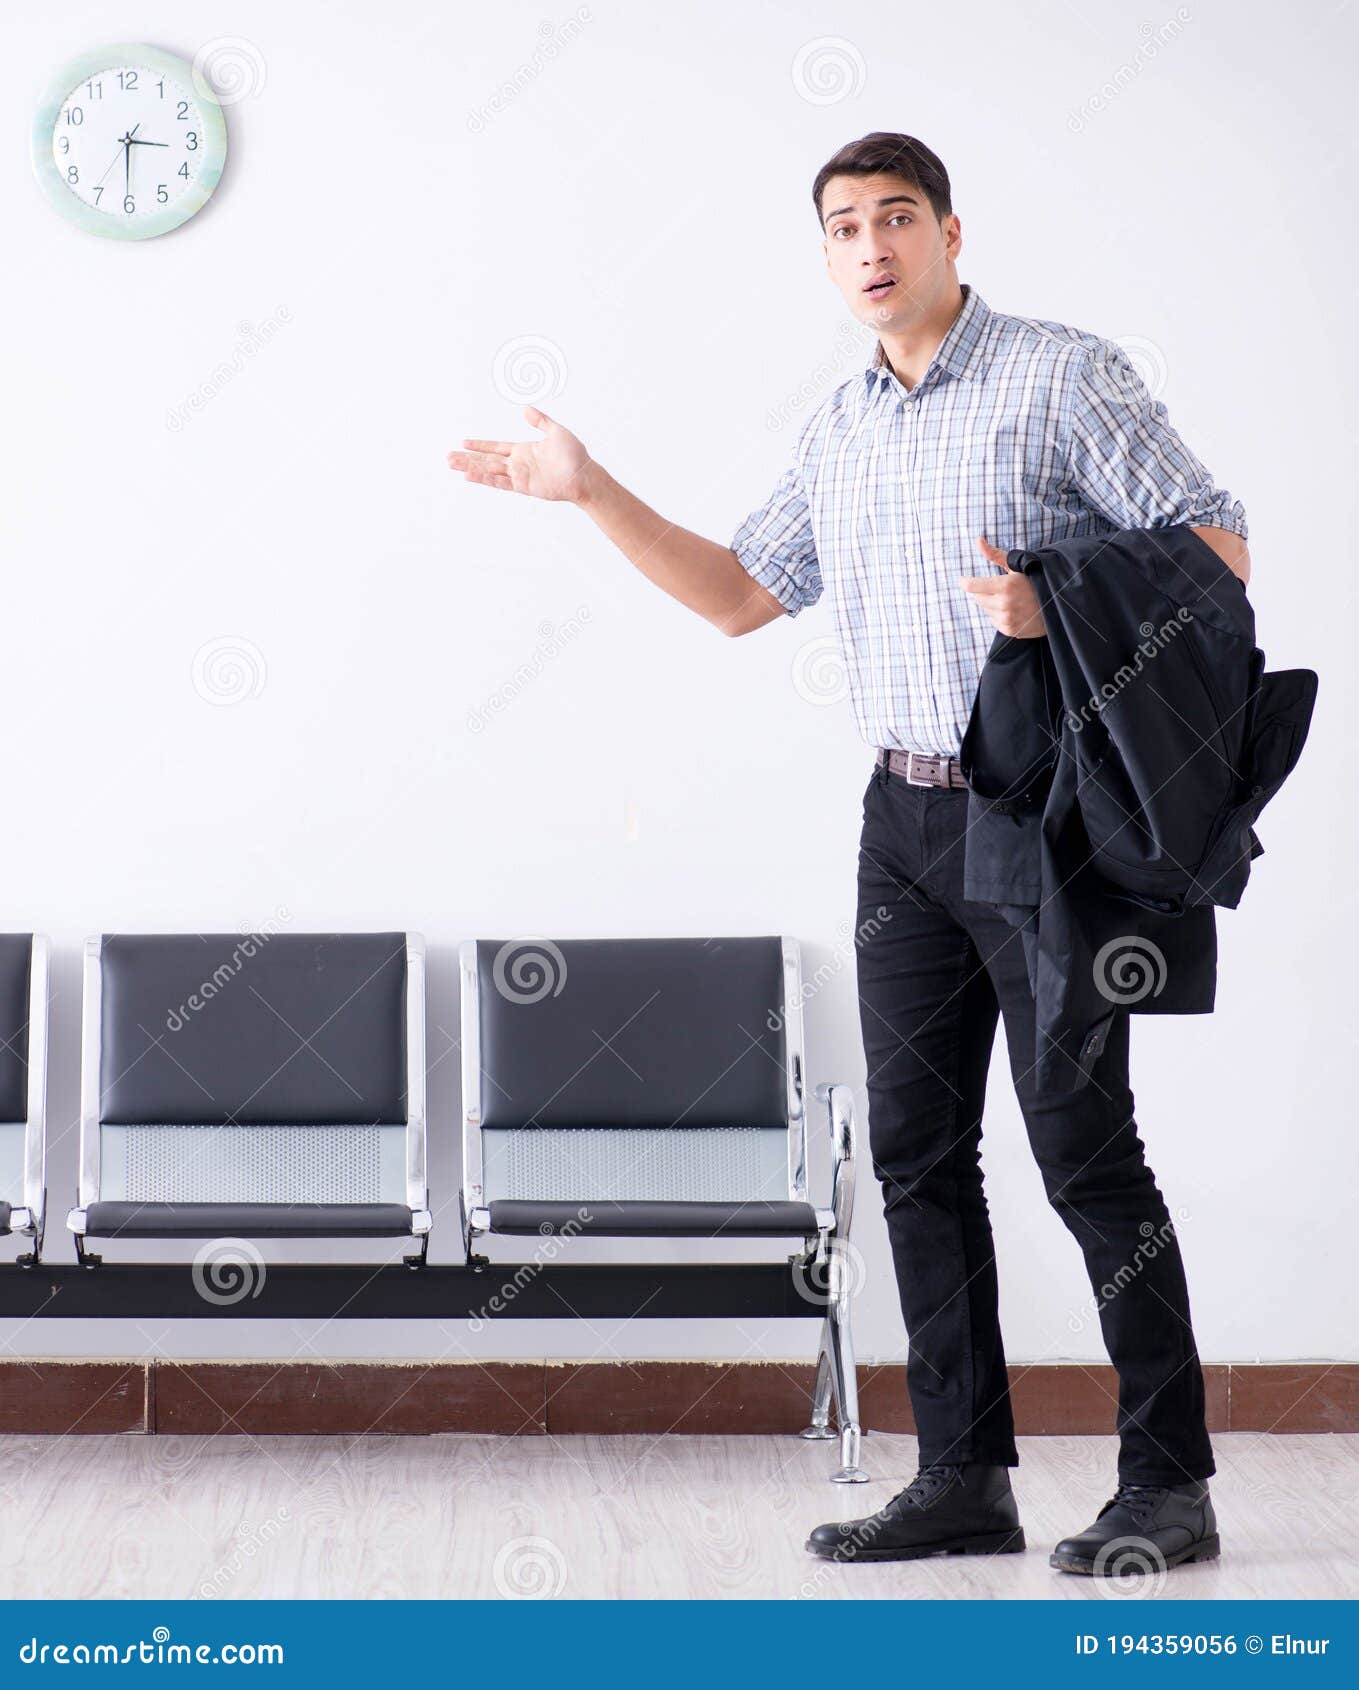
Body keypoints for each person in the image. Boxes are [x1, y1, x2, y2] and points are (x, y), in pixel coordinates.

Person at [448, 130, 1248, 1579]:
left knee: (1083, 1148)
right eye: (842, 226)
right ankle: (962, 1477)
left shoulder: (1063, 376)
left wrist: (1055, 602)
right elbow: (738, 595)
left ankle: (1167, 1482)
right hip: (904, 824)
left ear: (950, 231)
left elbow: (1220, 549)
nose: (871, 244)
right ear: (825, 256)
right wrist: (590, 488)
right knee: (917, 1155)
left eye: (896, 216)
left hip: (1047, 822)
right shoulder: (840, 428)